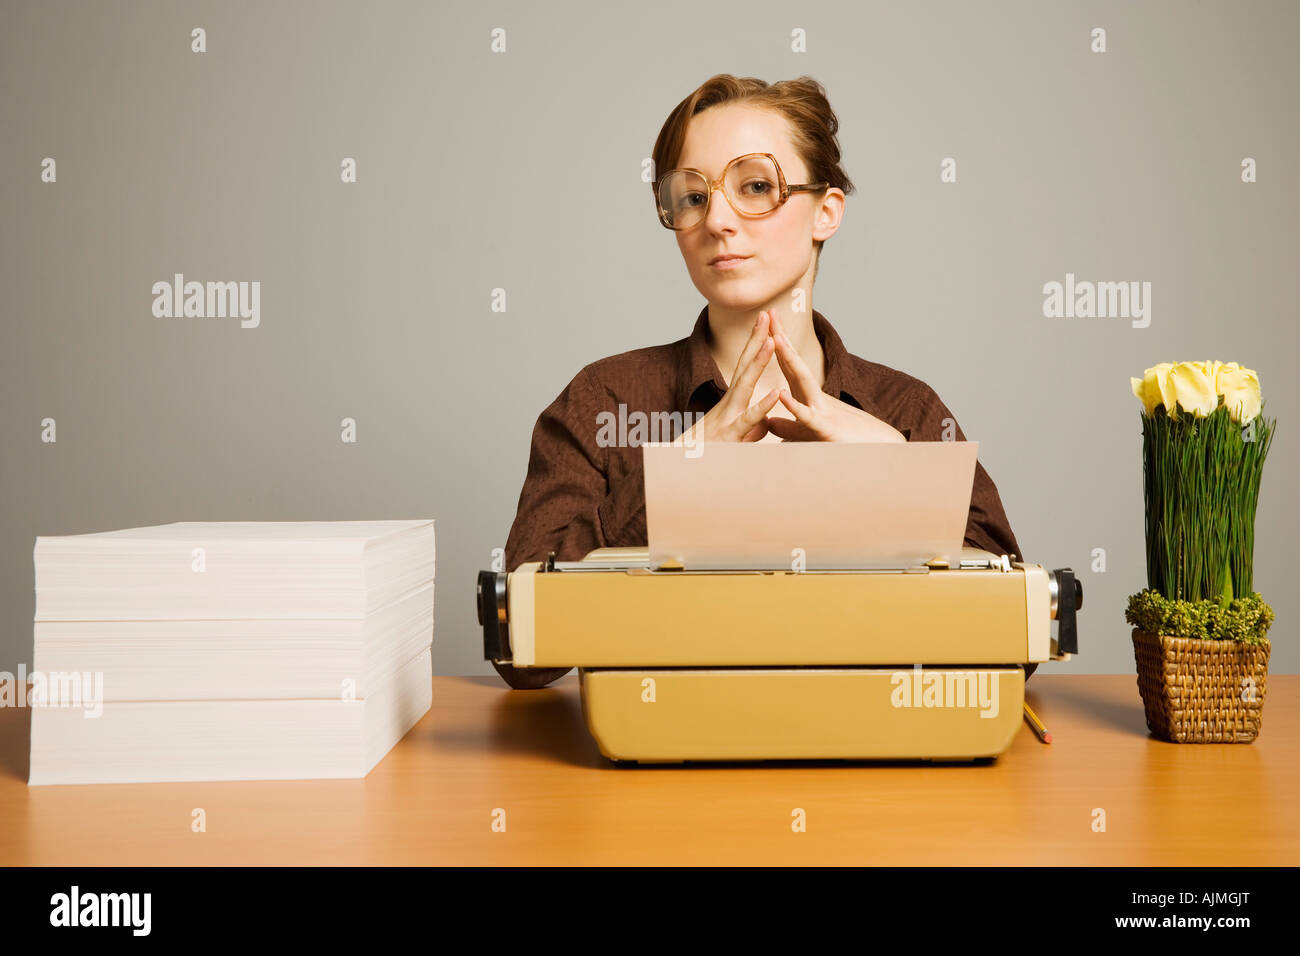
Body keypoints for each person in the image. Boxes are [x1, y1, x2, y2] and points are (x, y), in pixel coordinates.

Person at [494, 74, 1027, 690]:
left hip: (873, 757)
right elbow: (520, 654)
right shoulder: (603, 400)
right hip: (656, 756)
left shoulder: (907, 409)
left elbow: (1018, 644)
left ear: (826, 211)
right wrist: (679, 477)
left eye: (754, 187)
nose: (717, 220)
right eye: (691, 197)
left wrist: (897, 472)